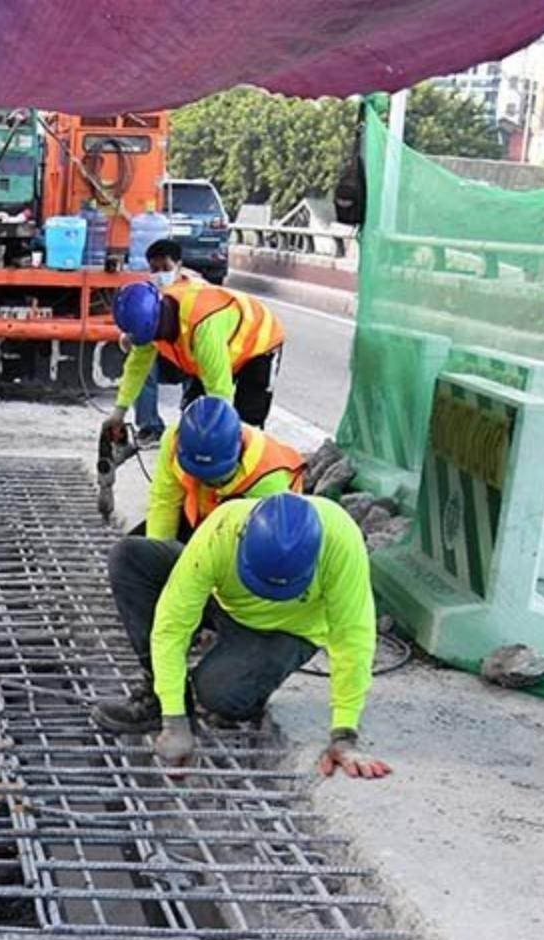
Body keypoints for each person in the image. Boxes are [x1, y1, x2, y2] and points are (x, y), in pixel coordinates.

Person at [98, 492, 392, 778]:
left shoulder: (340, 543)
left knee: (218, 694)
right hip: (226, 602)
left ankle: (244, 672)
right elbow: (172, 625)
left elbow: (352, 639)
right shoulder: (222, 530)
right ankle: (159, 697)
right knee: (131, 556)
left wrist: (344, 734)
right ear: (242, 542)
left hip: (287, 630)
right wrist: (174, 718)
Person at [105, 263, 285, 435]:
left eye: (153, 336)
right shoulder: (152, 318)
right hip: (223, 345)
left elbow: (220, 394)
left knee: (246, 424)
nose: (153, 341)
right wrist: (119, 412)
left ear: (160, 320)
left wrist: (217, 440)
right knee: (192, 419)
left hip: (259, 343)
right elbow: (136, 368)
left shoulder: (203, 329)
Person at [146, 396, 305, 542]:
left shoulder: (268, 478)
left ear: (238, 455)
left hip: (253, 527)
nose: (205, 484)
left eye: (214, 478)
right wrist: (159, 556)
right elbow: (165, 502)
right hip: (203, 515)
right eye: (197, 475)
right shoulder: (174, 441)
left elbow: (264, 549)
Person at [131, 240, 204, 446]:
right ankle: (150, 427)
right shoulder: (148, 293)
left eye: (166, 268)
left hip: (192, 353)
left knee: (201, 374)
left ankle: (195, 429)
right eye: (155, 269)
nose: (160, 273)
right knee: (143, 369)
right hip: (165, 355)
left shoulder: (197, 290)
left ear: (179, 265)